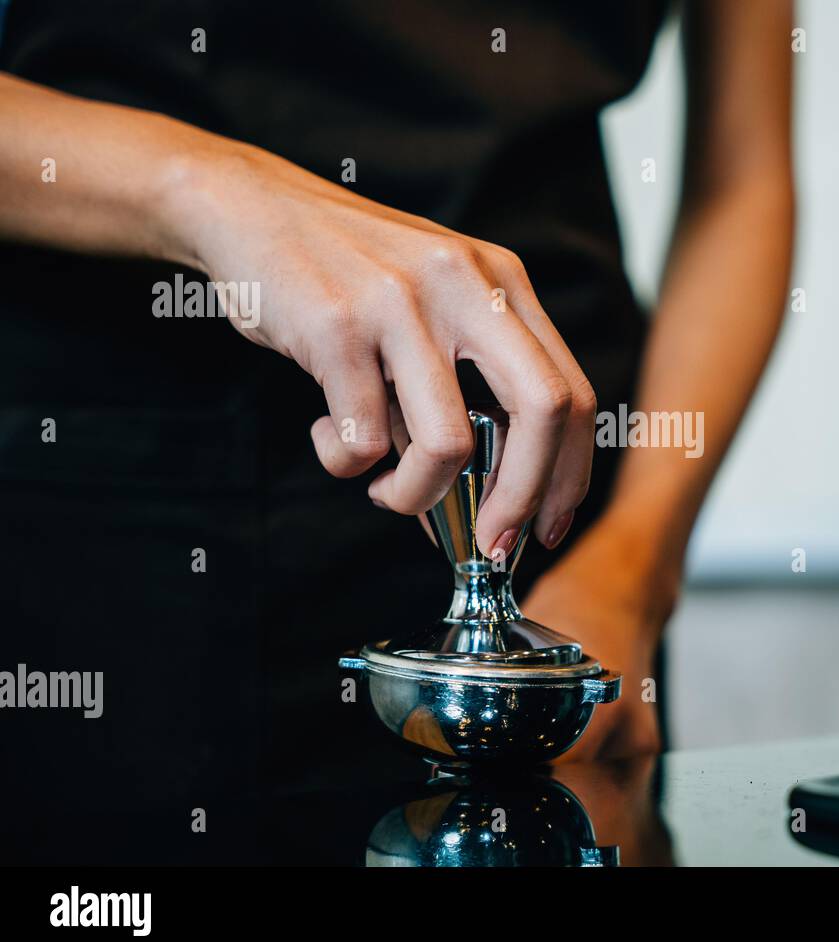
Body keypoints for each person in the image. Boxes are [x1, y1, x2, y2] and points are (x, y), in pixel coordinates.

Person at [0, 0, 793, 850]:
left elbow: (742, 181)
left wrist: (633, 570)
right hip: (121, 509)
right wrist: (211, 191)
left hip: (565, 526)